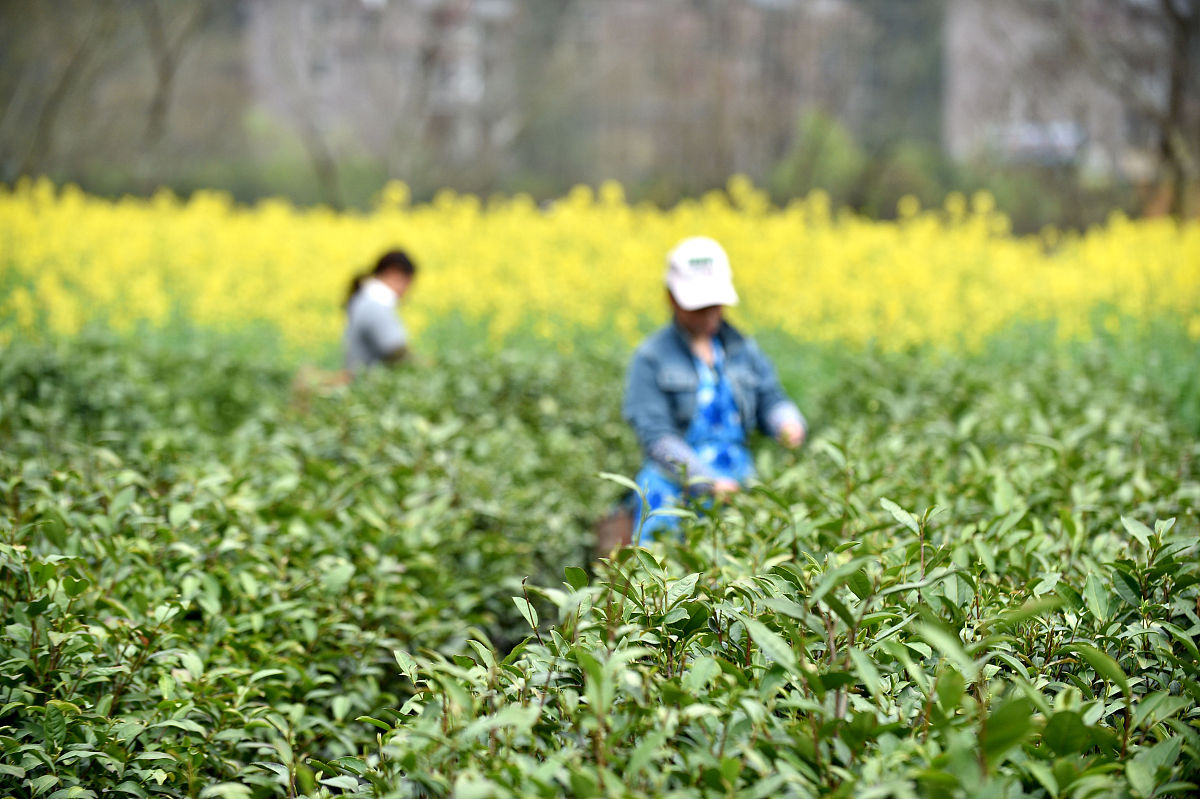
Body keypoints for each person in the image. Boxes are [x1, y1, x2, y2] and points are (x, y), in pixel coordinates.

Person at [621, 236, 806, 542]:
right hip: (673, 485)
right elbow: (657, 437)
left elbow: (771, 398)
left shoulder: (743, 349)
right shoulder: (650, 357)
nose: (709, 315)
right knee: (665, 564)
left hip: (739, 479)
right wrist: (707, 481)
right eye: (699, 307)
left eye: (714, 305)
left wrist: (787, 422)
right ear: (671, 298)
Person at [343, 249, 417, 373]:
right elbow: (398, 352)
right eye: (408, 283)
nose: (407, 292)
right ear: (394, 272)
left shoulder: (364, 299)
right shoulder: (374, 306)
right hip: (367, 382)